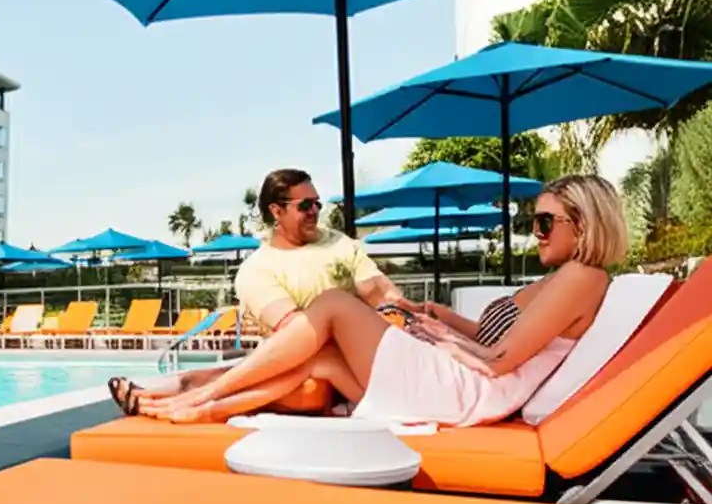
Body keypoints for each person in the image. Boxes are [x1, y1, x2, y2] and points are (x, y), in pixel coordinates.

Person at [140, 173, 628, 425]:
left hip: (470, 393)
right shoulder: (566, 279)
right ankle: (207, 407)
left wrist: (442, 343)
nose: (536, 232)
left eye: (544, 223)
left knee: (333, 304)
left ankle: (202, 391)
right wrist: (438, 323)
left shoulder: (582, 276)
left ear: (583, 224)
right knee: (322, 359)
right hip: (468, 385)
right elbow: (497, 343)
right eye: (534, 222)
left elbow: (500, 362)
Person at [108, 167, 403, 415]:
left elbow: (382, 295)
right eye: (305, 206)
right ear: (276, 211)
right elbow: (296, 331)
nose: (314, 212)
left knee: (314, 359)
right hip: (304, 365)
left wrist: (400, 317)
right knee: (309, 387)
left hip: (356, 359)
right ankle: (181, 394)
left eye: (317, 204)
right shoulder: (257, 270)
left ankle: (188, 397)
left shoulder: (338, 243)